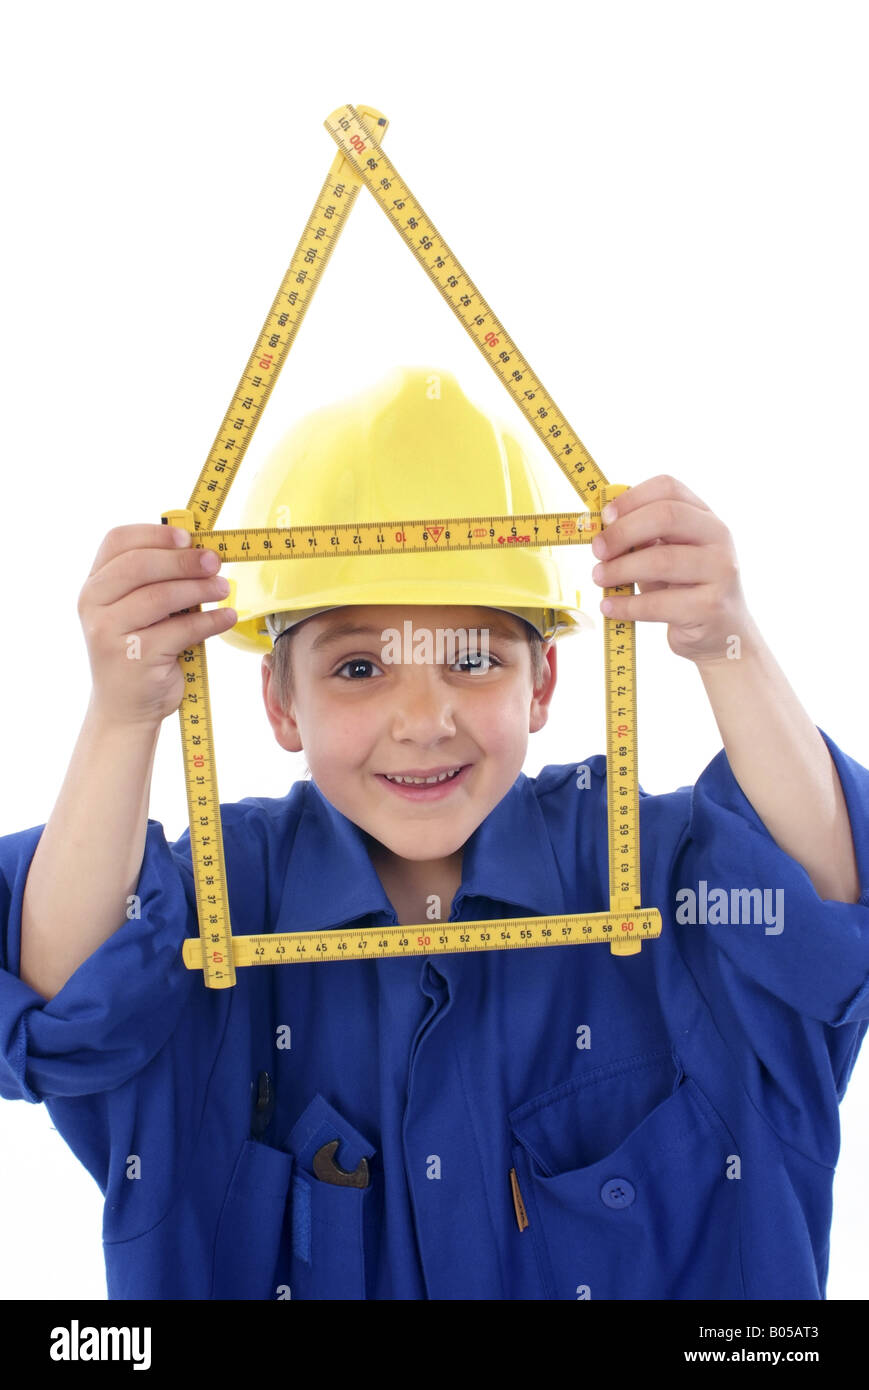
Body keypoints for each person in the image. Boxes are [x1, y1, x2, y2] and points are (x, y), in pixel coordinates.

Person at [1, 364, 867, 1300]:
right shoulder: (219, 899)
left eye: (471, 659)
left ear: (540, 687)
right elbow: (62, 1007)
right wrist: (123, 717)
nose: (423, 719)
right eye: (360, 667)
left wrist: (726, 642)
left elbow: (829, 924)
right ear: (279, 703)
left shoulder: (649, 879)